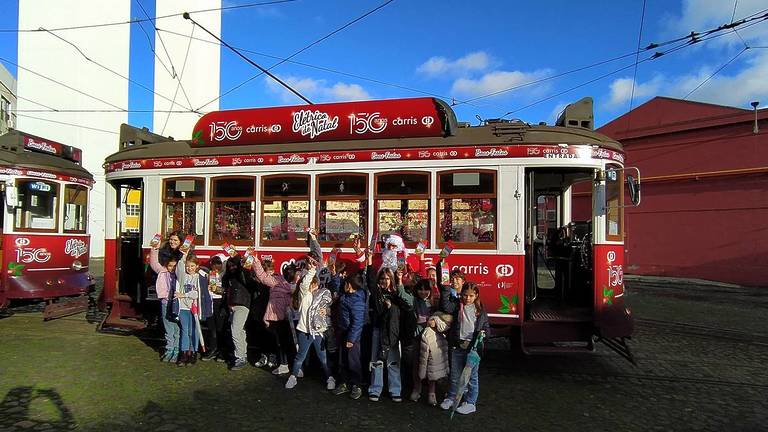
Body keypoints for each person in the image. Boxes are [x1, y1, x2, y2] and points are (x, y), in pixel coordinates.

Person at [439, 280, 490, 415]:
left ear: (476, 295)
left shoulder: (480, 310)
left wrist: (483, 334)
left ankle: (470, 402)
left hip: (473, 350)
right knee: (455, 376)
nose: (468, 298)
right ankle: (451, 398)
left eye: (471, 296)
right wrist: (445, 287)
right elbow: (445, 305)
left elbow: (486, 328)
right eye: (465, 295)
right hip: (457, 347)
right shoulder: (457, 306)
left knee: (472, 377)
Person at [284, 262, 335, 390]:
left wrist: (327, 311)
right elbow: (304, 284)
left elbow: (328, 306)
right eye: (314, 284)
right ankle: (293, 377)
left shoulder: (321, 295)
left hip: (318, 332)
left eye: (317, 284)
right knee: (300, 357)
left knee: (323, 358)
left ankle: (330, 378)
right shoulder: (304, 295)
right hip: (305, 331)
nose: (316, 287)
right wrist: (311, 269)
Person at [366, 249, 403, 403]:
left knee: (393, 362)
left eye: (387, 279)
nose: (384, 281)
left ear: (392, 280)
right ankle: (375, 389)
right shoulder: (376, 293)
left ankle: (395, 390)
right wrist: (368, 261)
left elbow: (406, 303)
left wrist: (400, 281)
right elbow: (370, 280)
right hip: (378, 330)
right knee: (376, 361)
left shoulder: (396, 294)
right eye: (382, 278)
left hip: (392, 333)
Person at [253, 253, 297, 375]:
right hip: (276, 318)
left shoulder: (295, 287)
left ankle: (296, 365)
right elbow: (262, 276)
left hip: (290, 318)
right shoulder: (276, 281)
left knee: (291, 342)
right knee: (280, 342)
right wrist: (255, 260)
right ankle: (283, 364)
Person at [171, 251, 212, 367]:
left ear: (197, 266)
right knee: (185, 330)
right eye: (188, 266)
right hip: (183, 307)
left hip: (195, 308)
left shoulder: (199, 277)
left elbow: (196, 294)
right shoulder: (183, 275)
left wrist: (183, 295)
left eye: (192, 266)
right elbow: (179, 266)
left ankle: (193, 352)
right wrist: (184, 254)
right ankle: (184, 352)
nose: (190, 268)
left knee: (195, 330)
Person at [331, 272, 367, 400]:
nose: (344, 285)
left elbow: (357, 322)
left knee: (353, 361)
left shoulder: (357, 300)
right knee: (343, 360)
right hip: (343, 330)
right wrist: (335, 275)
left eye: (346, 283)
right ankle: (344, 382)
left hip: (352, 334)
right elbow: (336, 287)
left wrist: (351, 339)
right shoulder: (346, 295)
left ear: (350, 285)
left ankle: (357, 384)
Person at [223, 255, 257, 370]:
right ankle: (242, 354)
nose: (232, 267)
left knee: (235, 331)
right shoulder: (229, 277)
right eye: (230, 265)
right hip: (232, 306)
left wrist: (236, 255)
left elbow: (246, 276)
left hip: (242, 304)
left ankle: (240, 357)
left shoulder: (243, 275)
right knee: (240, 331)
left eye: (234, 265)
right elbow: (224, 290)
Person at [149, 241, 179, 362]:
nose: (172, 268)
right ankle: (169, 349)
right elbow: (154, 263)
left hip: (176, 303)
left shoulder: (179, 274)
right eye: (170, 266)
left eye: (174, 266)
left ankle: (177, 350)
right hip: (165, 302)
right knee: (168, 328)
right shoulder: (162, 272)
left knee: (177, 328)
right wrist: (154, 249)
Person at [418, 312, 452, 406]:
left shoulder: (430, 331)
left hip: (435, 360)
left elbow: (424, 354)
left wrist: (422, 372)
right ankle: (435, 394)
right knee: (439, 377)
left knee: (434, 378)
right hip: (439, 360)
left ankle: (432, 394)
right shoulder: (444, 331)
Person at [200, 255, 229, 362]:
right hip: (210, 302)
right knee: (211, 328)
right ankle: (213, 349)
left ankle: (222, 351)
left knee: (221, 328)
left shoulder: (225, 275)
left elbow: (227, 290)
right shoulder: (208, 275)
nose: (216, 266)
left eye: (218, 263)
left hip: (220, 303)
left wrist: (218, 289)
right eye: (214, 263)